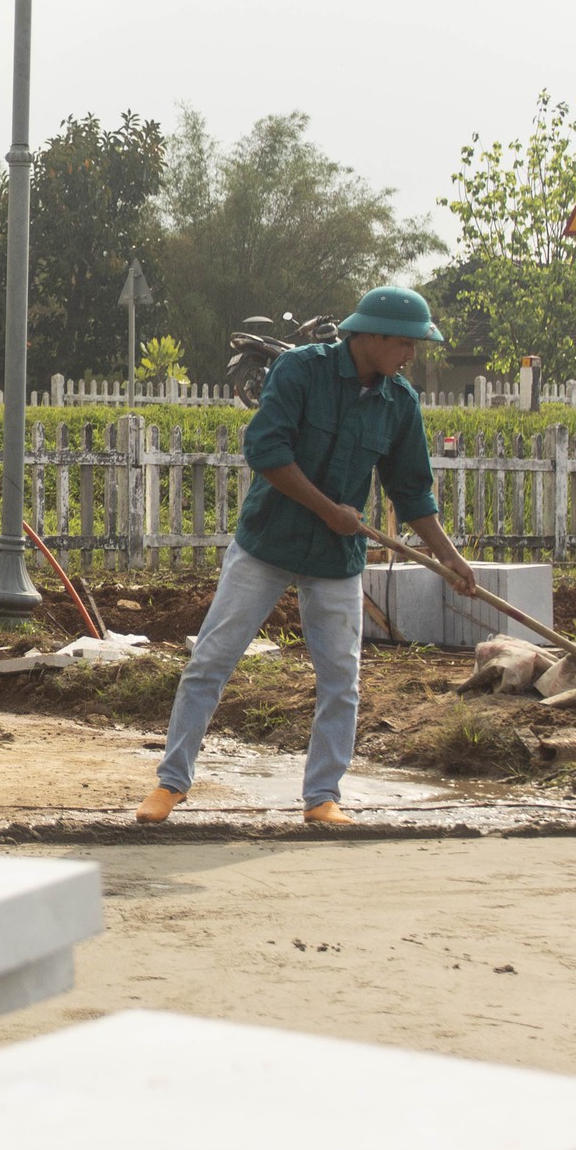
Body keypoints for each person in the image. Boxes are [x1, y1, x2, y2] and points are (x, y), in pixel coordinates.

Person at [136, 285, 477, 827]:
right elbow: (266, 452)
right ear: (372, 335)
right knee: (211, 660)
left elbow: (411, 491)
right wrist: (327, 510)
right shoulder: (300, 371)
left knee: (341, 678)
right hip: (268, 543)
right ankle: (171, 783)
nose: (411, 356)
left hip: (336, 559)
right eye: (407, 344)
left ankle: (322, 796)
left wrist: (451, 558)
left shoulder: (400, 402)